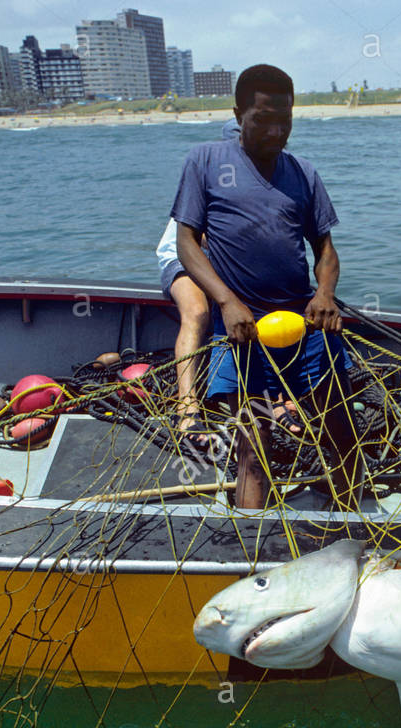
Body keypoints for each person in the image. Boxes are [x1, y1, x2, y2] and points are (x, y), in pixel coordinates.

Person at [169, 64, 359, 510]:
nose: (276, 131)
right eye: (262, 120)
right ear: (238, 114)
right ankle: (253, 553)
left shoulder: (304, 174)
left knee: (341, 429)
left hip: (302, 326)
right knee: (254, 446)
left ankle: (352, 526)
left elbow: (326, 252)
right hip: (243, 330)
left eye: (285, 121)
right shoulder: (205, 161)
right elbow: (186, 244)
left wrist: (325, 294)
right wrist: (227, 301)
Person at [155, 120, 239, 445]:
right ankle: (187, 409)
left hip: (225, 260)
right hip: (184, 251)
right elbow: (195, 238)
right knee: (198, 312)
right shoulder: (209, 177)